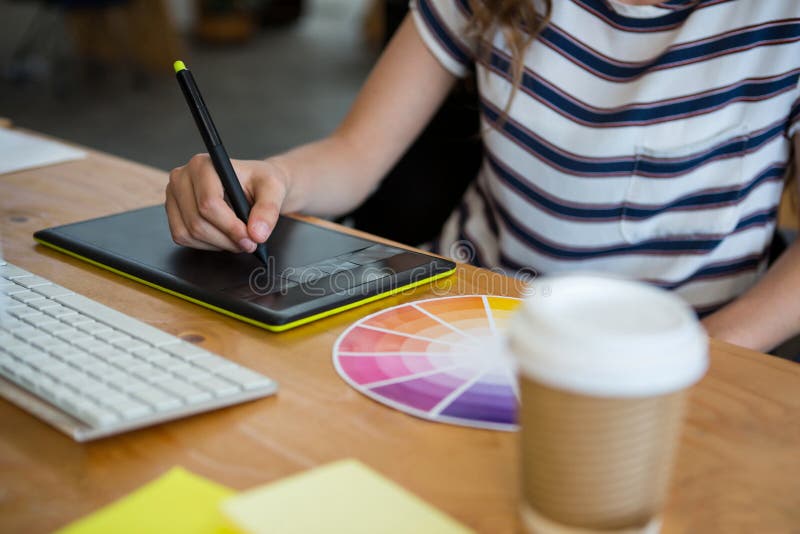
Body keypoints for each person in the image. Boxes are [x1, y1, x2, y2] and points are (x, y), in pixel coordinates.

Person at [165, 0, 800, 353]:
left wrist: (709, 350)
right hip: (472, 325)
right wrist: (270, 178)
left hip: (685, 347)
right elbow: (356, 155)